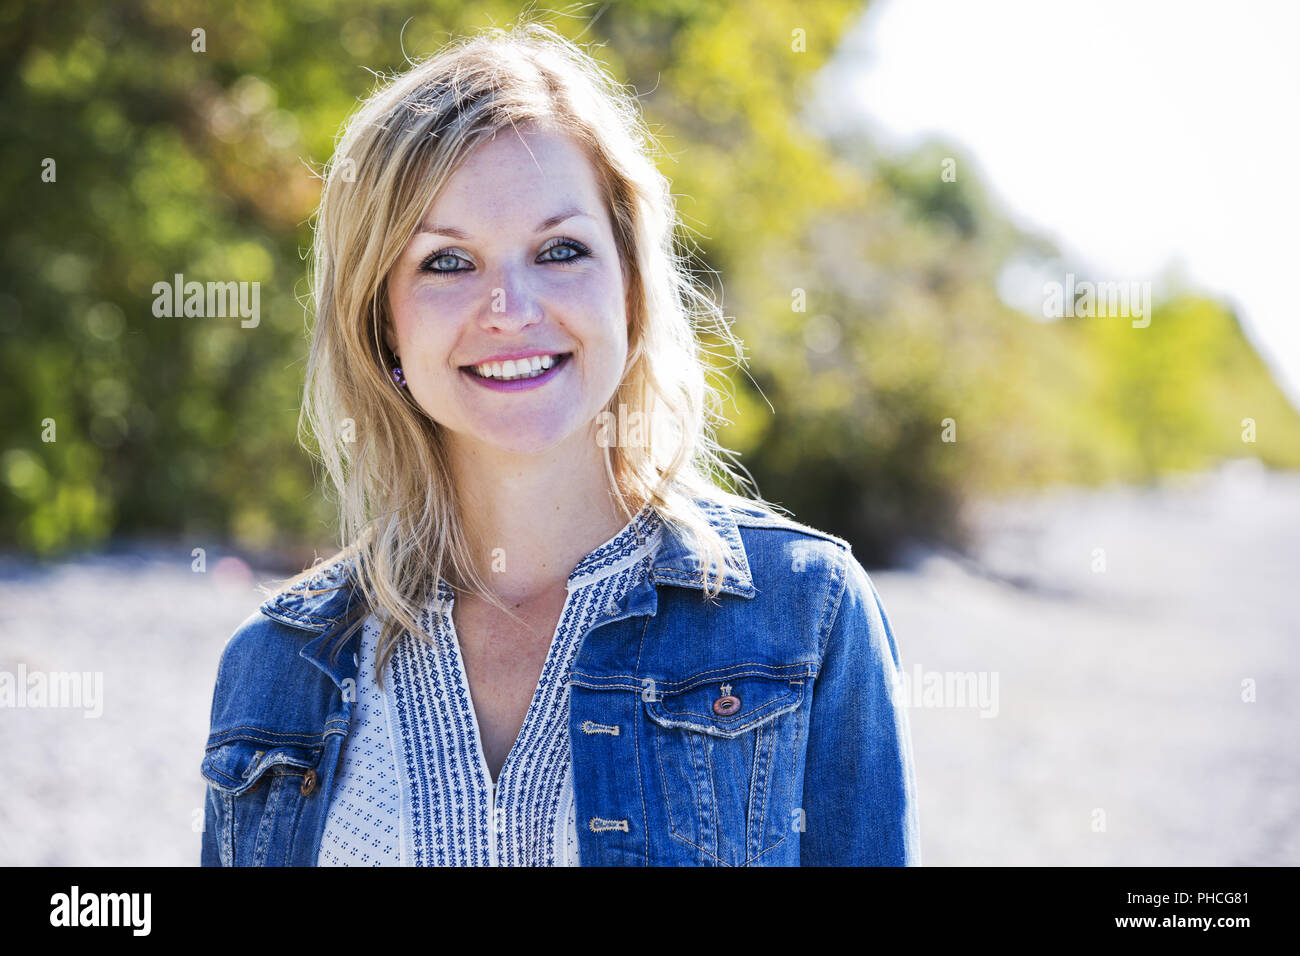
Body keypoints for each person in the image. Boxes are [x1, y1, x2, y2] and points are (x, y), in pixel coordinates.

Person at [200, 21, 919, 867]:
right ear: (381, 320)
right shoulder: (277, 662)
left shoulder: (804, 614)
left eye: (561, 250)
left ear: (632, 291)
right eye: (445, 262)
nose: (510, 306)